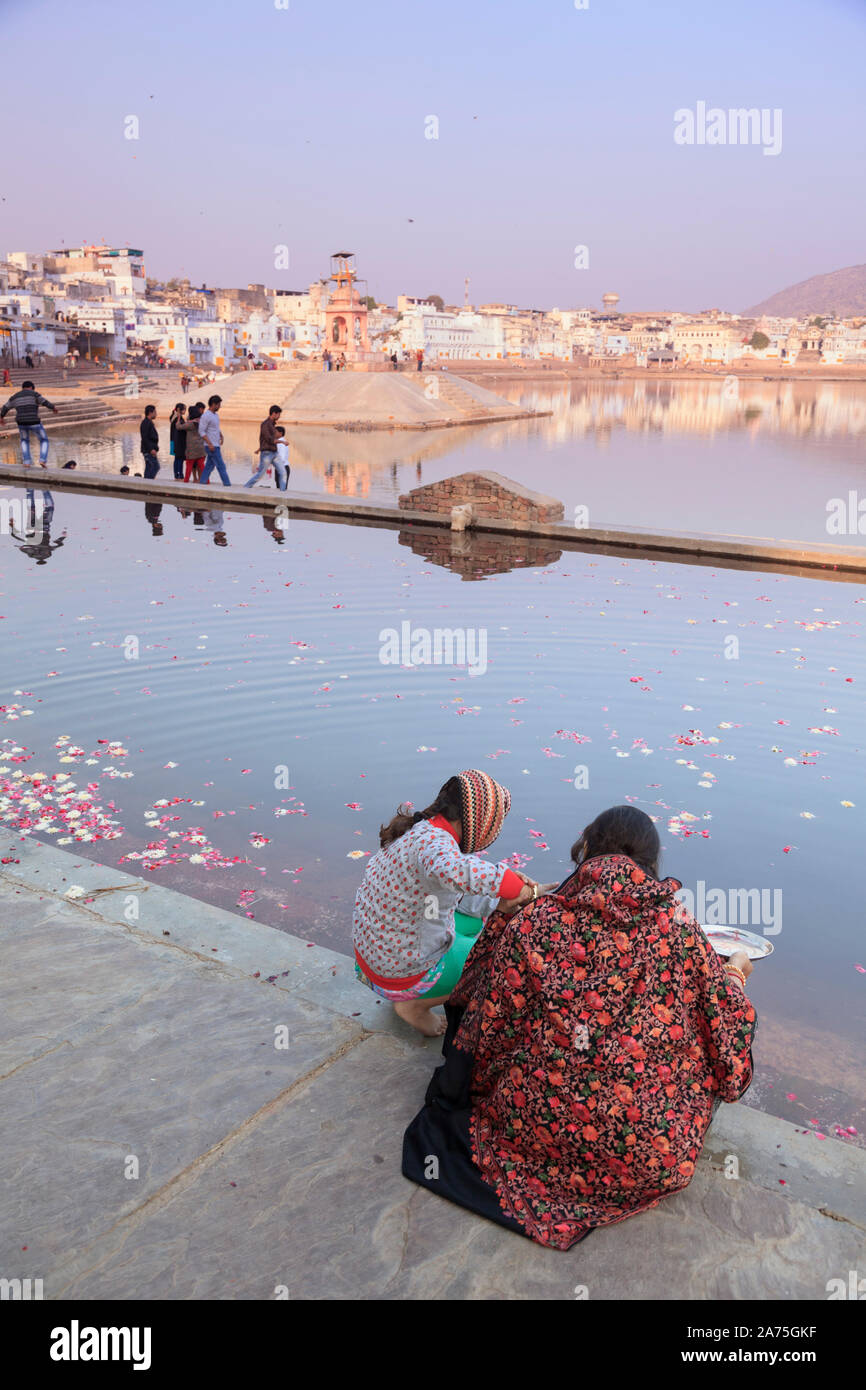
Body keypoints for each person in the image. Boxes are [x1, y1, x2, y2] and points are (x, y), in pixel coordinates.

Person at [402, 805, 758, 1249]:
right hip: (648, 1153)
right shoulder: (680, 930)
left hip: (528, 1127)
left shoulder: (535, 922)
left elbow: (484, 1027)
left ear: (586, 848)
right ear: (650, 862)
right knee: (701, 1036)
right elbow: (727, 1041)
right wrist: (736, 974)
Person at [352, 771, 537, 1037]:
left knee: (477, 921)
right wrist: (521, 889)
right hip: (396, 972)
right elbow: (461, 872)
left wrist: (499, 903)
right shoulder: (437, 849)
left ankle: (412, 990)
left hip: (374, 961)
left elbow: (455, 889)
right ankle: (414, 1006)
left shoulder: (422, 831)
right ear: (481, 821)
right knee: (496, 958)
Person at [1, 379, 58, 467]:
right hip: (34, 421)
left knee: (24, 441)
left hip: (21, 423)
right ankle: (42, 460)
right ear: (31, 387)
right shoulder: (34, 394)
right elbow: (44, 402)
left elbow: (5, 407)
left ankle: (27, 462)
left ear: (23, 388)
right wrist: (53, 408)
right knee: (44, 440)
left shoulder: (15, 396)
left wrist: (1, 417)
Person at [244, 405, 281, 488]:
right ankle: (247, 486)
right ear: (274, 414)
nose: (279, 416)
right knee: (260, 474)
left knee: (282, 472)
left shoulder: (272, 424)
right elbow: (268, 439)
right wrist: (280, 441)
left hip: (272, 451)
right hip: (267, 452)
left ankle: (283, 491)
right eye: (278, 414)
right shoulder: (266, 424)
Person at [198, 395, 230, 485]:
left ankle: (202, 482)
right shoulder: (206, 416)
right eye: (219, 404)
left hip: (216, 444)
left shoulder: (215, 415)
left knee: (209, 466)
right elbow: (201, 431)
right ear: (213, 404)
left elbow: (216, 428)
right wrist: (209, 444)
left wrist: (221, 435)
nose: (220, 406)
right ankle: (227, 485)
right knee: (221, 466)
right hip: (211, 445)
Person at [182, 402, 207, 481]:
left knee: (191, 465)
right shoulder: (201, 420)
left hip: (192, 448)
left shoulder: (190, 422)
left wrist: (179, 419)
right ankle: (202, 479)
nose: (202, 411)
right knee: (200, 465)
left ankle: (193, 479)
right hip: (201, 447)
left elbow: (179, 427)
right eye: (202, 409)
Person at [139, 404, 160, 478]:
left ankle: (147, 482)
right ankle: (149, 481)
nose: (156, 414)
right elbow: (145, 438)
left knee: (149, 467)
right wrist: (151, 449)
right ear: (150, 413)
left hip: (149, 449)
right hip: (148, 450)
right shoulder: (146, 423)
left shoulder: (149, 422)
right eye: (155, 412)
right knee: (155, 466)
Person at [169, 402, 187, 482]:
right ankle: (180, 475)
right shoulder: (177, 418)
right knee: (180, 458)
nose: (185, 411)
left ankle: (176, 475)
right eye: (184, 409)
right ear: (180, 410)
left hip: (174, 440)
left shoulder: (174, 416)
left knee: (177, 458)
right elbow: (179, 428)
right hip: (179, 441)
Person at [274, 426, 290, 491]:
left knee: (282, 489)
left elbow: (282, 459)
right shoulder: (279, 443)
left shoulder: (282, 444)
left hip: (283, 468)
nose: (273, 433)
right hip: (279, 467)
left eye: (275, 432)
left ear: (280, 433)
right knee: (278, 488)